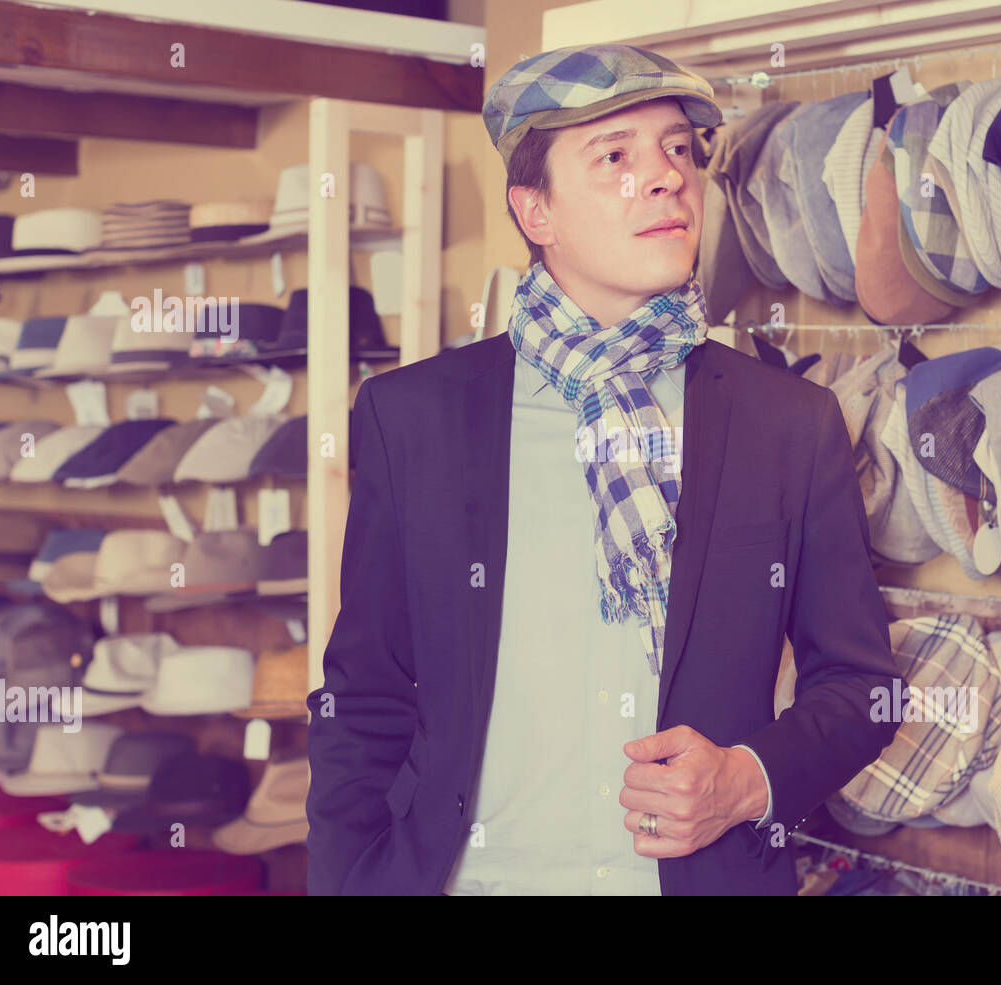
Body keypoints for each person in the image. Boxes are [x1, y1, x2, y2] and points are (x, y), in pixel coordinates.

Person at [305, 42, 901, 895]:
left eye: (678, 150)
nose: (665, 177)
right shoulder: (412, 420)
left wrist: (746, 778)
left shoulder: (790, 424)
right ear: (535, 211)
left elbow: (861, 688)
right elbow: (362, 699)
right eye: (615, 156)